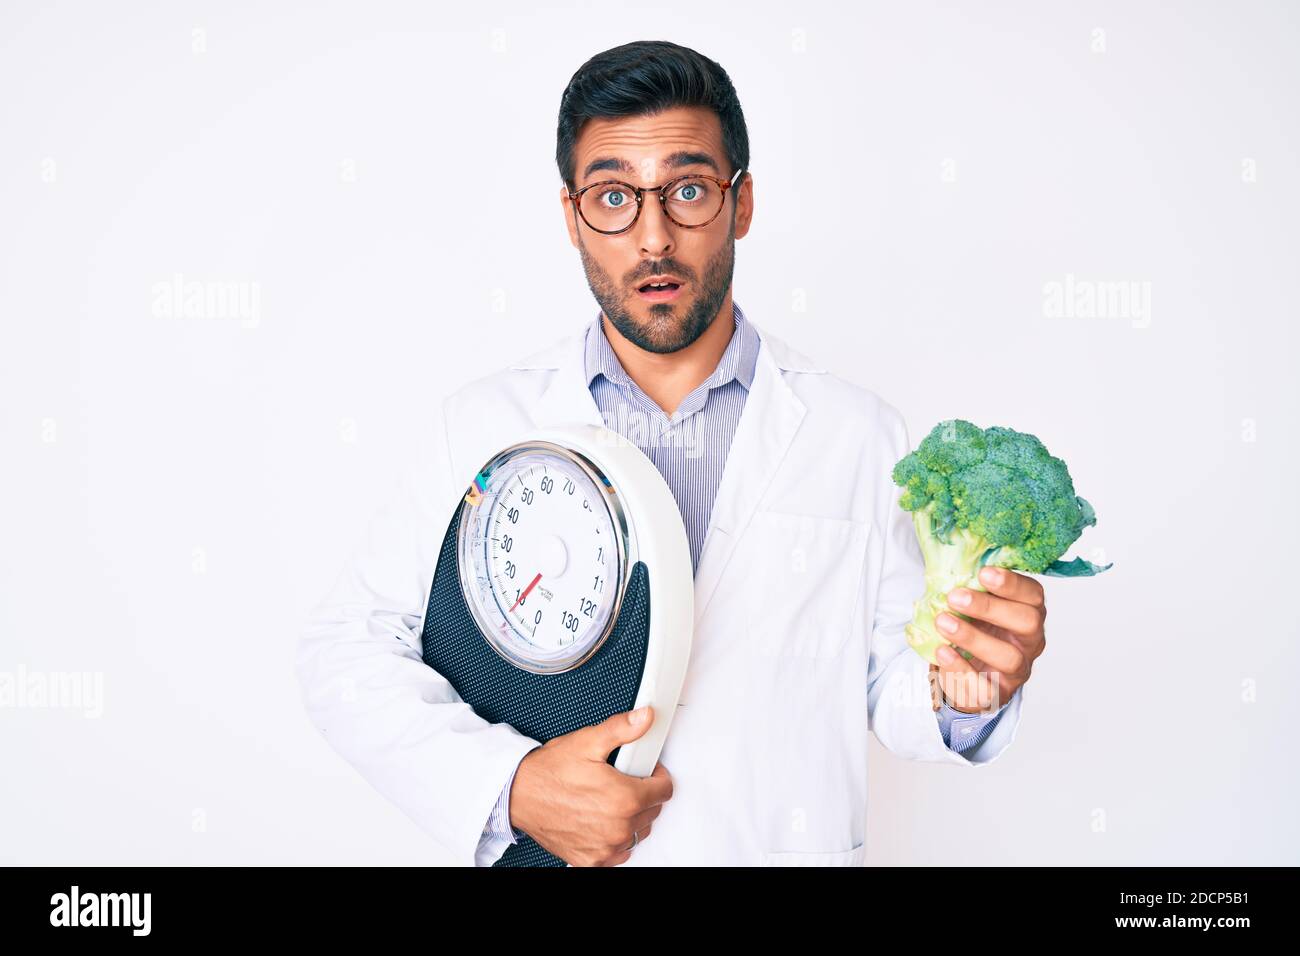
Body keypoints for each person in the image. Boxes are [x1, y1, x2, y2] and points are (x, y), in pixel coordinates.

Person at [295, 40, 1047, 867]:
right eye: (613, 196)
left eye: (688, 190)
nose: (653, 237)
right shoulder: (482, 425)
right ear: (572, 215)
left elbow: (894, 690)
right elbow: (349, 652)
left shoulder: (859, 434)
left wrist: (967, 687)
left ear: (742, 202)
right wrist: (510, 788)